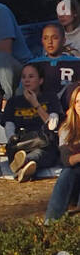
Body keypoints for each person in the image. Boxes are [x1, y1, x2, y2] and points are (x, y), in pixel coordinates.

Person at [5, 62, 60, 182]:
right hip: (21, 144)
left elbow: (52, 125)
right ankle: (24, 166)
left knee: (40, 152)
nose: (26, 80)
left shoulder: (50, 98)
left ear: (40, 80)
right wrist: (13, 139)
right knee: (19, 152)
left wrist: (35, 104)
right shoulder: (13, 101)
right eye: (24, 77)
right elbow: (9, 126)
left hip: (43, 143)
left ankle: (24, 163)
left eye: (31, 77)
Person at [46, 84, 80, 222]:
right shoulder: (67, 128)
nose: (79, 105)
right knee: (69, 171)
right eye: (77, 102)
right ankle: (51, 223)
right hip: (75, 178)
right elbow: (67, 160)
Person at [36, 22, 80, 104]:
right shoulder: (33, 65)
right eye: (46, 38)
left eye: (55, 38)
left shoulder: (76, 63)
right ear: (41, 40)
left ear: (63, 40)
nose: (50, 42)